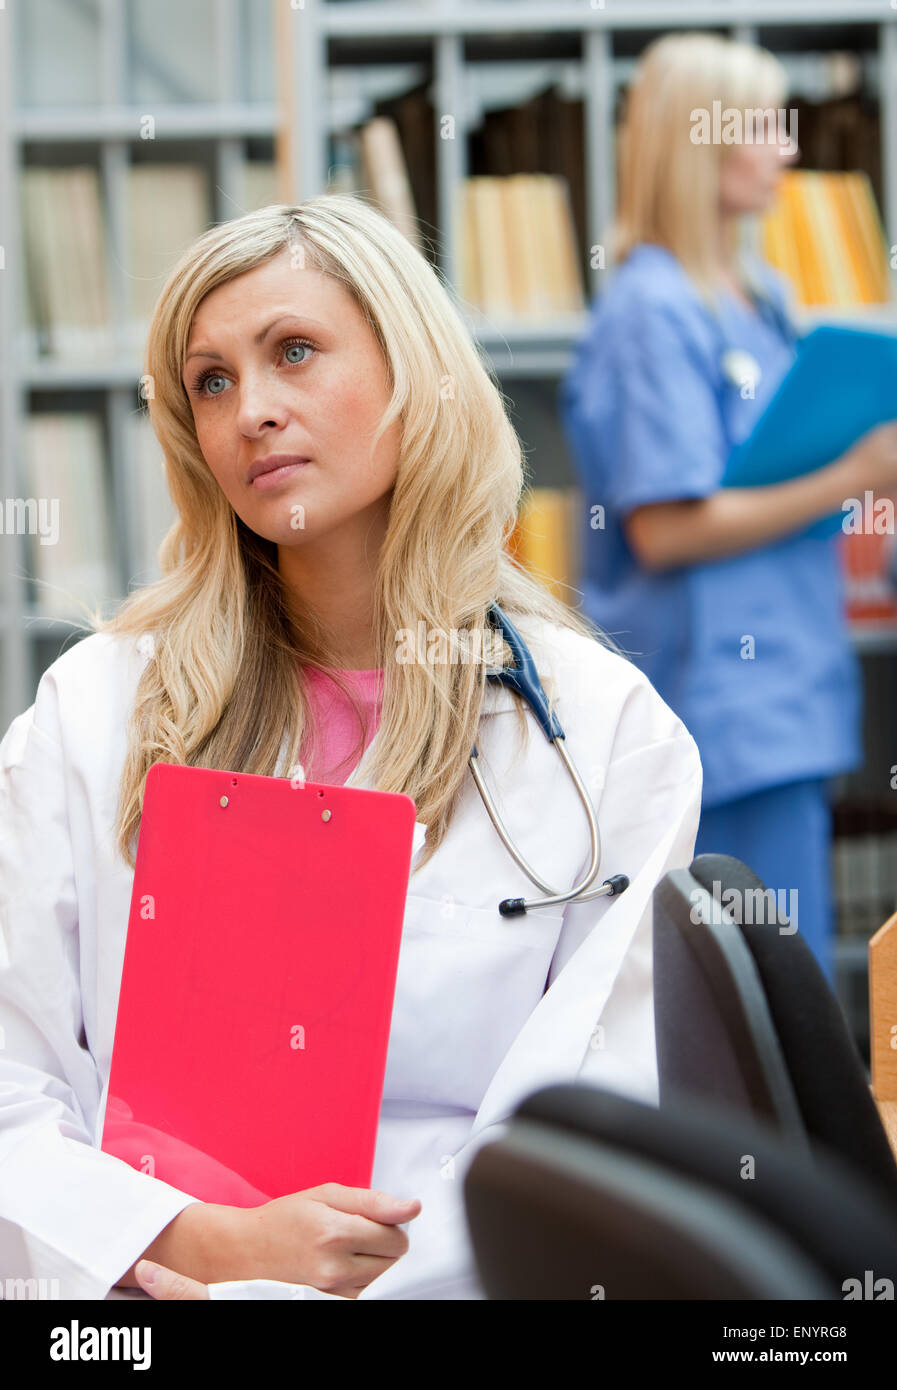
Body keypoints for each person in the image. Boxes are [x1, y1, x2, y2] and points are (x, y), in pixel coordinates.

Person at [0, 194, 701, 1302]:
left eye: (293, 353)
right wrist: (182, 1246)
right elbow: (10, 1076)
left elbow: (587, 1115)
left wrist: (342, 1283)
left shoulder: (604, 731)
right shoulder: (93, 710)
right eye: (213, 381)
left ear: (417, 374)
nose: (253, 412)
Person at [560, 32, 897, 985]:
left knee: (778, 997)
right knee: (737, 1007)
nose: (784, 150)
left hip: (784, 696)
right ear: (693, 145)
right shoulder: (650, 312)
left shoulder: (761, 298)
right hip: (717, 709)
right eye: (760, 127)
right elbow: (663, 529)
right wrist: (855, 470)